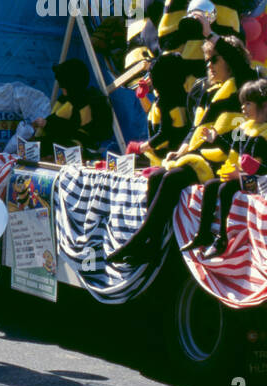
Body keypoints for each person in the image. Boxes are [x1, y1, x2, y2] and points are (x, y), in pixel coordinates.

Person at [106, 35, 255, 265]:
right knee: (156, 176)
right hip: (202, 154)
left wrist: (208, 32)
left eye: (214, 59)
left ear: (229, 60)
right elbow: (194, 129)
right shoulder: (208, 92)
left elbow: (227, 137)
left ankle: (139, 238)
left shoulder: (244, 83)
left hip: (224, 159)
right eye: (206, 60)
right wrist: (182, 150)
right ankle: (152, 245)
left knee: (174, 177)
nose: (209, 66)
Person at [183, 78, 267, 256]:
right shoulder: (244, 127)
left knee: (226, 189)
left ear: (264, 107)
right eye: (243, 104)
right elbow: (233, 148)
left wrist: (244, 172)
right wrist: (216, 138)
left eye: (248, 104)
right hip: (241, 175)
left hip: (262, 182)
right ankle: (203, 234)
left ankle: (223, 237)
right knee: (211, 185)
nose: (243, 108)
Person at [33, 60, 113, 157]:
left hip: (79, 142)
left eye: (63, 85)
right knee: (40, 144)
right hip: (66, 137)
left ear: (71, 85)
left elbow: (70, 127)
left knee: (53, 146)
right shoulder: (67, 99)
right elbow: (55, 118)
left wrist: (46, 124)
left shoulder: (80, 102)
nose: (61, 88)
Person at [132, 51, 192, 166]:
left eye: (151, 75)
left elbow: (165, 133)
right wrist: (142, 97)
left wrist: (140, 147)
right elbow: (154, 115)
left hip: (166, 156)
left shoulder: (167, 101)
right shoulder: (179, 95)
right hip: (173, 154)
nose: (149, 78)